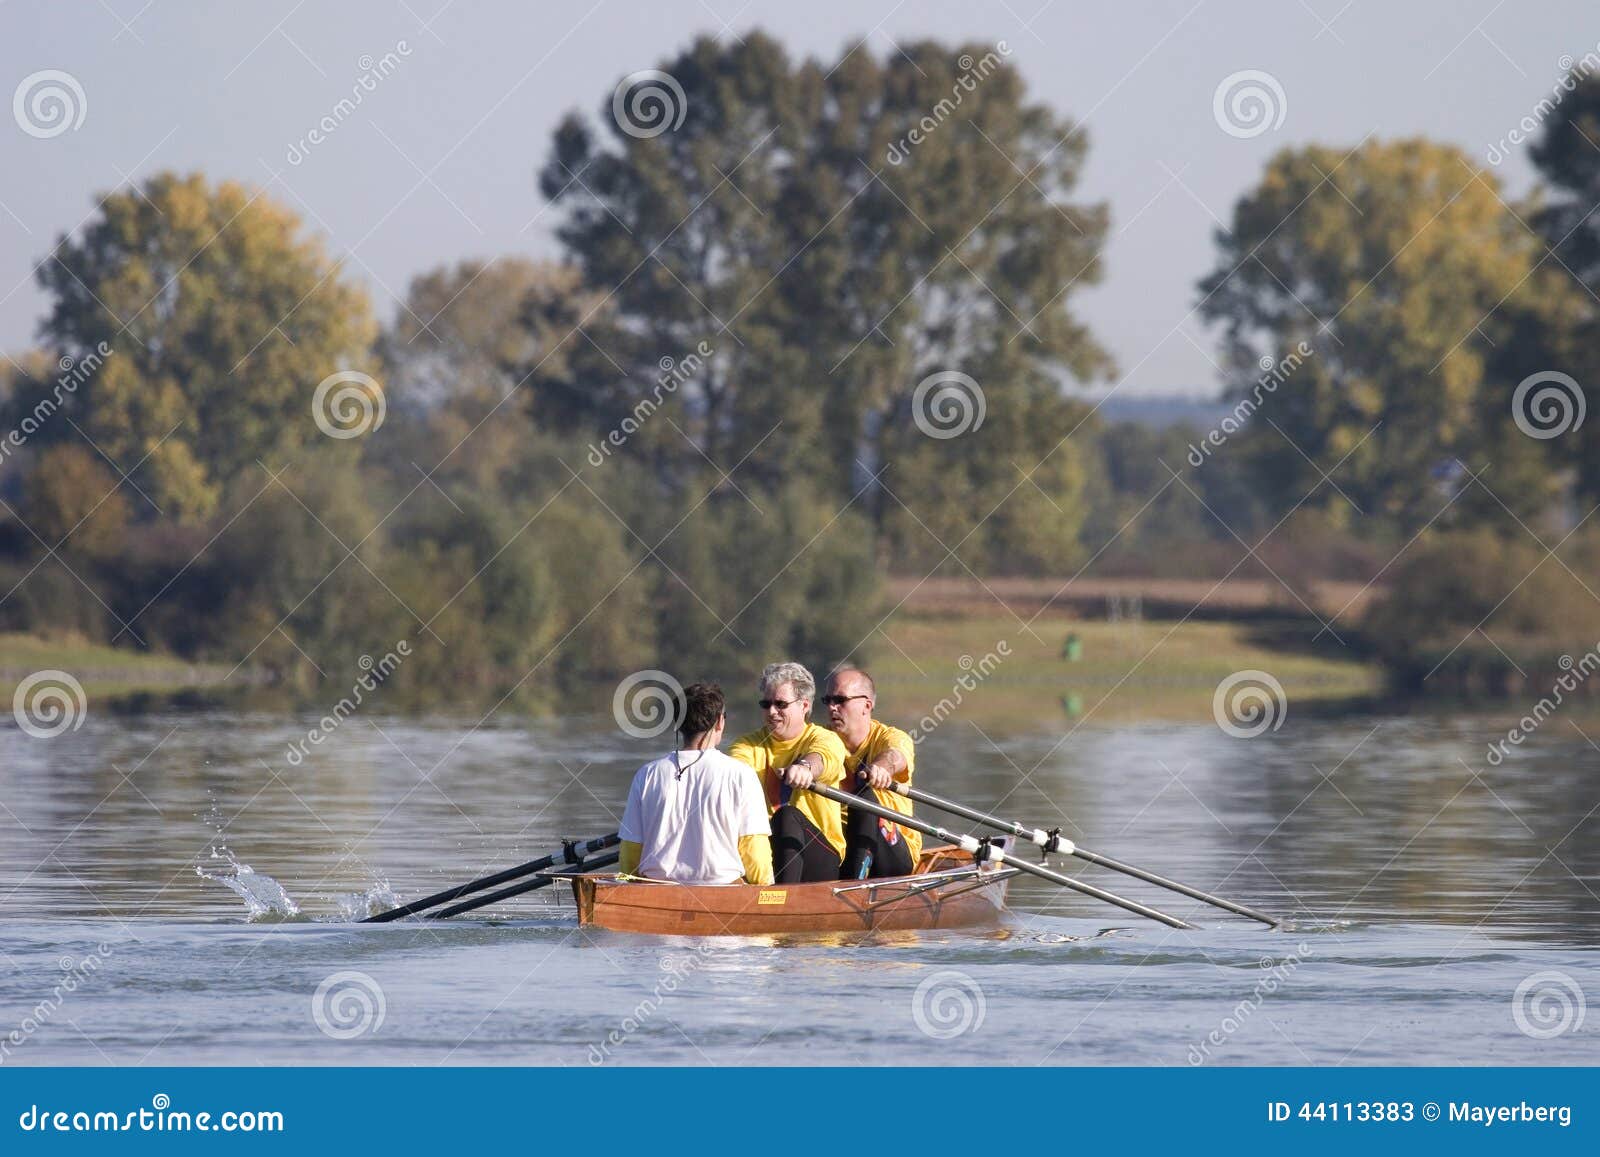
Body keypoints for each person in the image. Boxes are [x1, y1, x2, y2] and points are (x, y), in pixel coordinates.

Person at [618, 682, 773, 885]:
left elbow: (631, 850)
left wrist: (632, 889)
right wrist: (768, 893)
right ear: (720, 722)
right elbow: (754, 851)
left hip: (656, 891)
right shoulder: (742, 775)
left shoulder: (647, 774)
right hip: (723, 893)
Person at [728, 661, 849, 883]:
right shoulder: (746, 745)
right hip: (763, 854)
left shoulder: (824, 738)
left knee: (787, 817)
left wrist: (806, 769)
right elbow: (734, 771)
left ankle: (781, 901)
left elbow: (823, 757)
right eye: (766, 704)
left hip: (821, 858)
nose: (772, 712)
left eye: (781, 704)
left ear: (804, 706)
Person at [823, 668, 920, 879]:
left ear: (867, 705)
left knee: (865, 798)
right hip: (843, 848)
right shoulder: (821, 740)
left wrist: (883, 767)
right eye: (827, 700)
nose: (832, 707)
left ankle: (852, 889)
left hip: (893, 852)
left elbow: (896, 755)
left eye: (840, 700)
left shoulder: (890, 737)